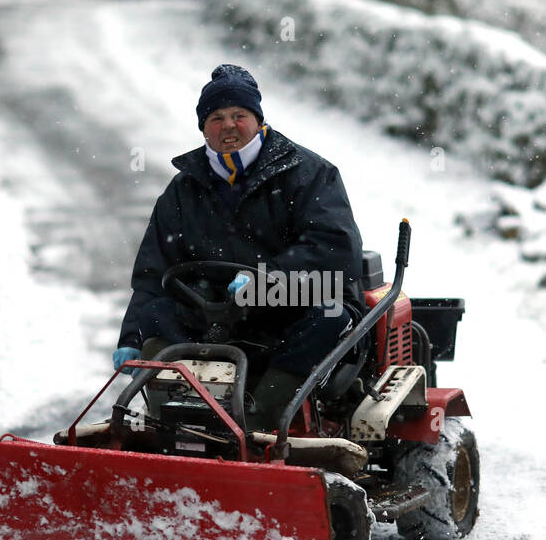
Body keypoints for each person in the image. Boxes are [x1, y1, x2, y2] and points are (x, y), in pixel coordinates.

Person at [114, 63, 364, 431]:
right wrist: (133, 335)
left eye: (239, 115)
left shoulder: (309, 174)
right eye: (216, 118)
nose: (228, 126)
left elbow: (337, 250)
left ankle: (258, 427)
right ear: (203, 128)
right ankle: (177, 424)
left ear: (258, 120)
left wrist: (268, 280)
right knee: (158, 315)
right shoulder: (181, 192)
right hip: (216, 308)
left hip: (292, 300)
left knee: (329, 313)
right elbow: (153, 273)